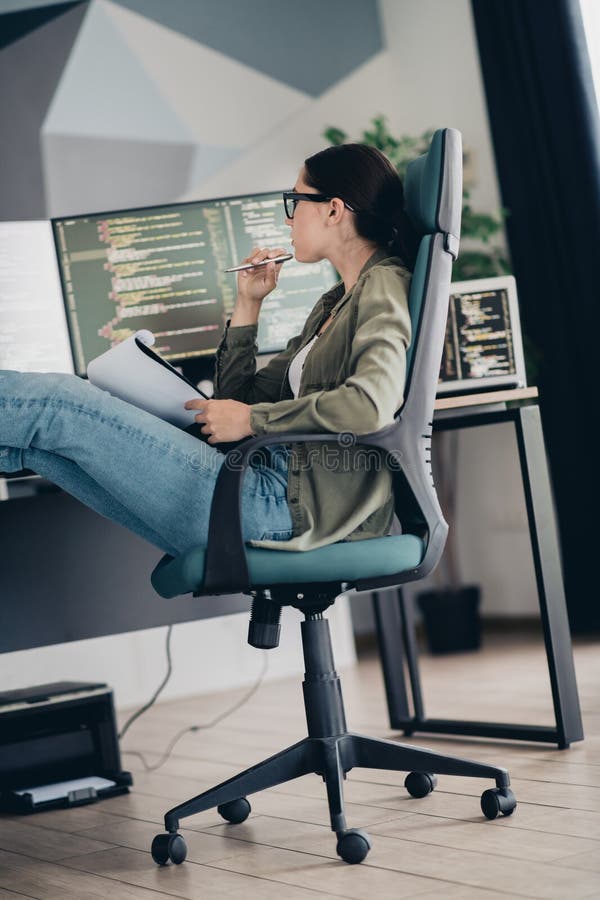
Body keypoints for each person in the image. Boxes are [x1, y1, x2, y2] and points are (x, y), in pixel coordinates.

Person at [0, 144, 418, 557]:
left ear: (333, 210)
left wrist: (252, 420)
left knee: (61, 403)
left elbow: (370, 405)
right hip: (267, 489)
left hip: (288, 507)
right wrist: (248, 303)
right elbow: (234, 401)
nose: (288, 218)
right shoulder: (333, 303)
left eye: (295, 201)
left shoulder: (383, 283)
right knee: (29, 446)